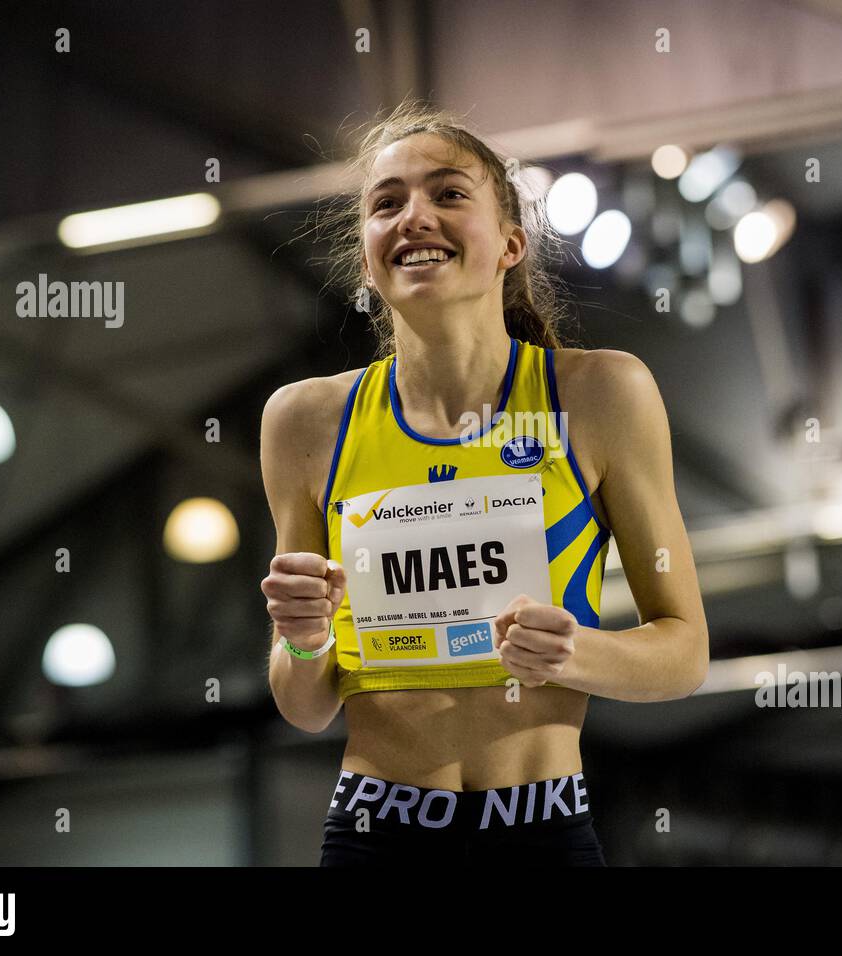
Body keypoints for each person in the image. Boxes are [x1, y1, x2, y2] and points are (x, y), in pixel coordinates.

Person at [259, 100, 709, 865]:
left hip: (543, 831)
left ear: (510, 242)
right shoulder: (303, 421)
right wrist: (303, 643)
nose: (415, 217)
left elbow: (685, 652)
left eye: (448, 193)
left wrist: (574, 654)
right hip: (376, 832)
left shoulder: (600, 394)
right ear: (367, 257)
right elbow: (304, 705)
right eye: (387, 203)